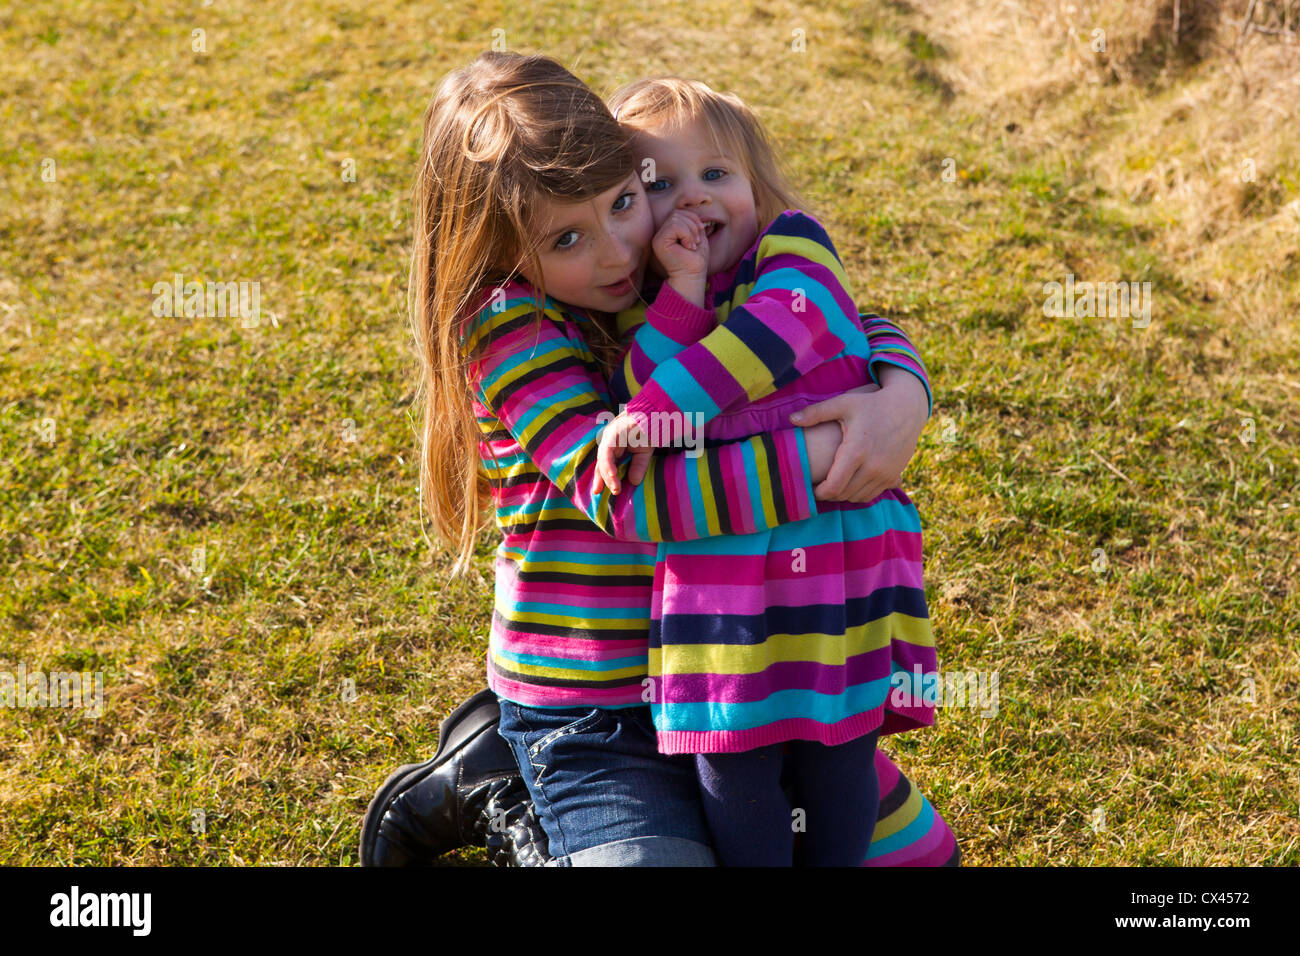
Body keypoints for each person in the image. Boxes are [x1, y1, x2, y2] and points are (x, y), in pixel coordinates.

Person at [386, 49, 950, 866]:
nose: (616, 249)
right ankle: (500, 780)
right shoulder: (509, 330)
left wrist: (901, 394)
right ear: (497, 247)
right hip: (596, 712)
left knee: (916, 857)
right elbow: (635, 501)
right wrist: (832, 454)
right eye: (570, 236)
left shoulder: (666, 271)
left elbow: (827, 326)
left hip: (730, 663)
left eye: (622, 201)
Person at [585, 76, 938, 865]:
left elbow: (773, 334)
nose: (694, 200)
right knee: (730, 751)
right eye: (661, 184)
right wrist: (679, 292)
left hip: (837, 548)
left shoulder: (794, 250)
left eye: (717, 175)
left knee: (837, 745)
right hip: (720, 568)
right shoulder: (653, 306)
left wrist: (652, 414)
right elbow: (631, 387)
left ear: (756, 183)